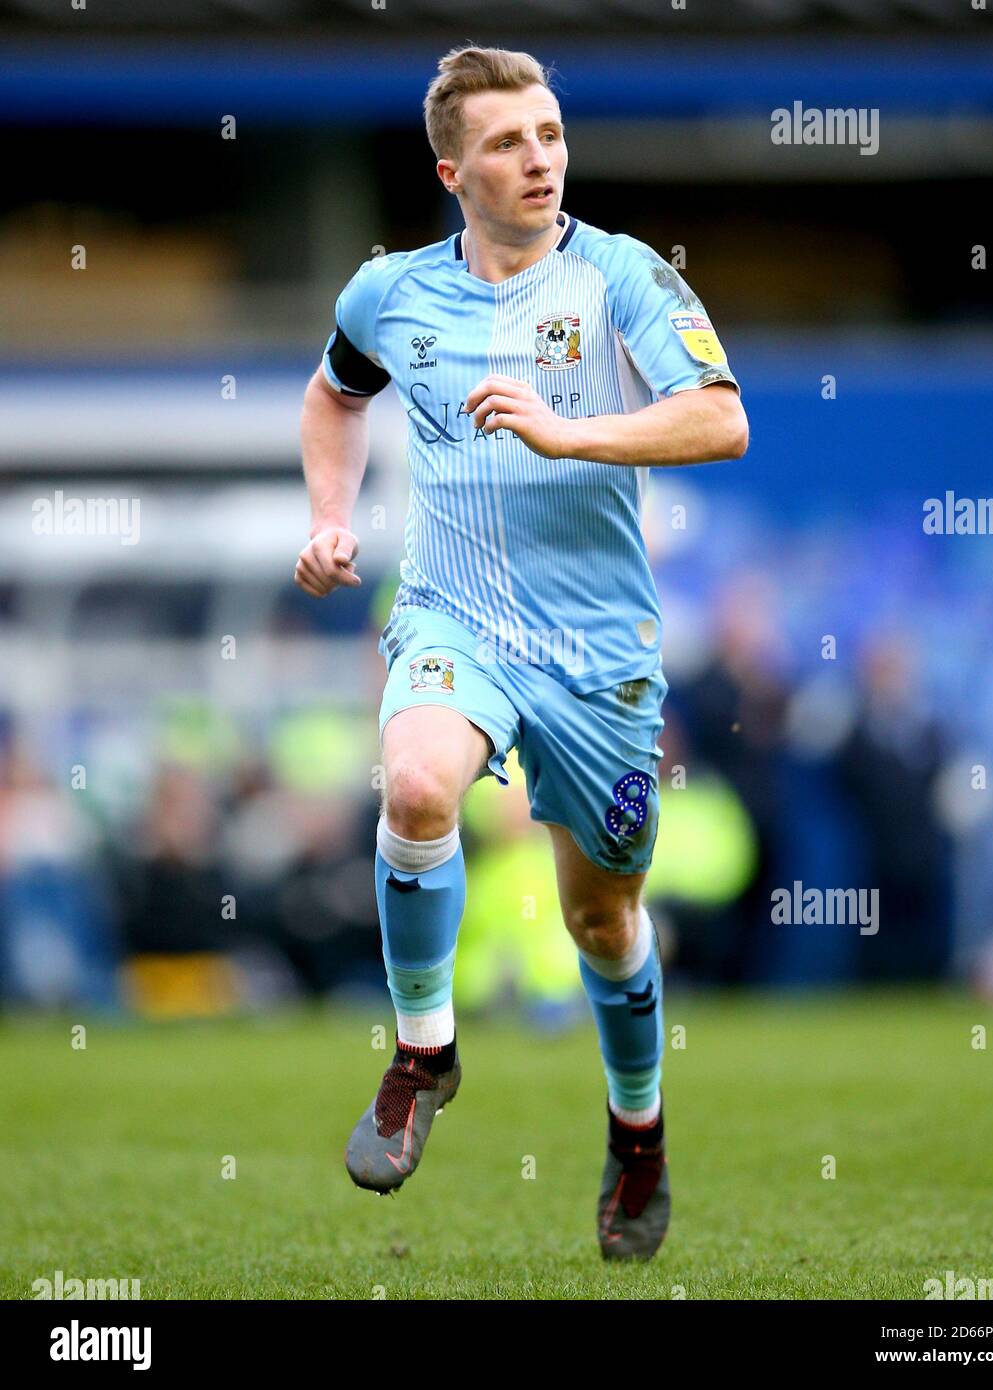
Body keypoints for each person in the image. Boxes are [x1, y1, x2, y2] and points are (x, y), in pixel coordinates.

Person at [294, 44, 747, 1261]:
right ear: (453, 170)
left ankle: (638, 1130)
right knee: (418, 783)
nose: (538, 158)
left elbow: (722, 416)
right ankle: (424, 1049)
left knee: (601, 921)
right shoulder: (389, 292)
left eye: (548, 133)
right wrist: (331, 518)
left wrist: (570, 429)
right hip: (452, 615)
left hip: (598, 650)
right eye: (507, 142)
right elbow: (335, 395)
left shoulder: (624, 277)